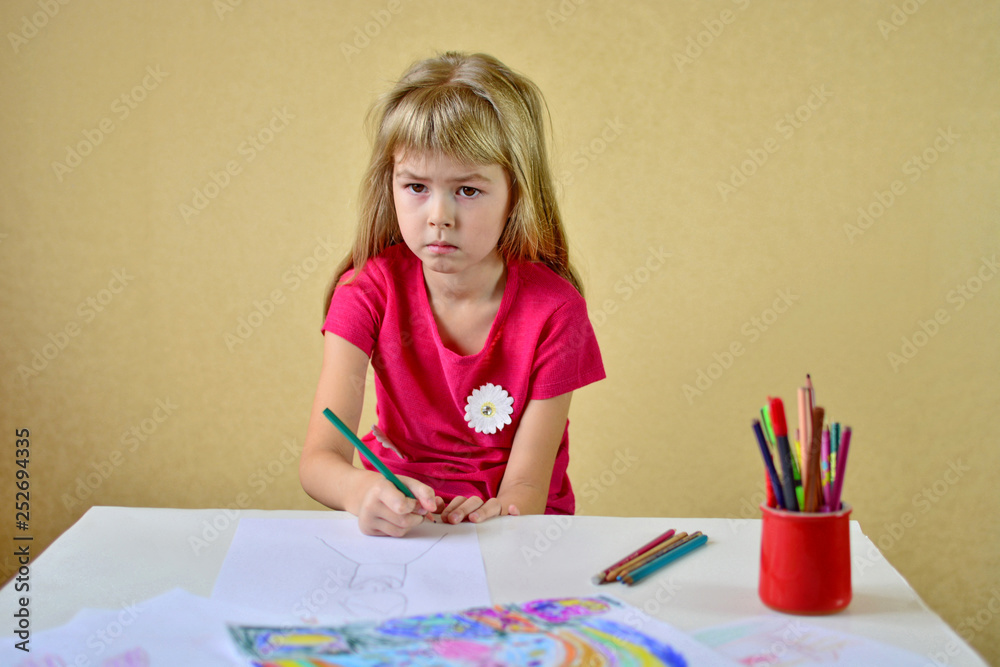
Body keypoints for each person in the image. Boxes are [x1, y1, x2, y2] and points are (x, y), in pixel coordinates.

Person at [300, 52, 605, 537]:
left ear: (516, 195)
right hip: (402, 525)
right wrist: (361, 492)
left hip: (510, 531)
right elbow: (319, 461)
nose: (439, 215)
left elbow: (526, 485)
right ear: (391, 187)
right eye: (417, 186)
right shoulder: (365, 291)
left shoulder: (556, 312)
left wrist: (494, 515)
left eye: (467, 190)